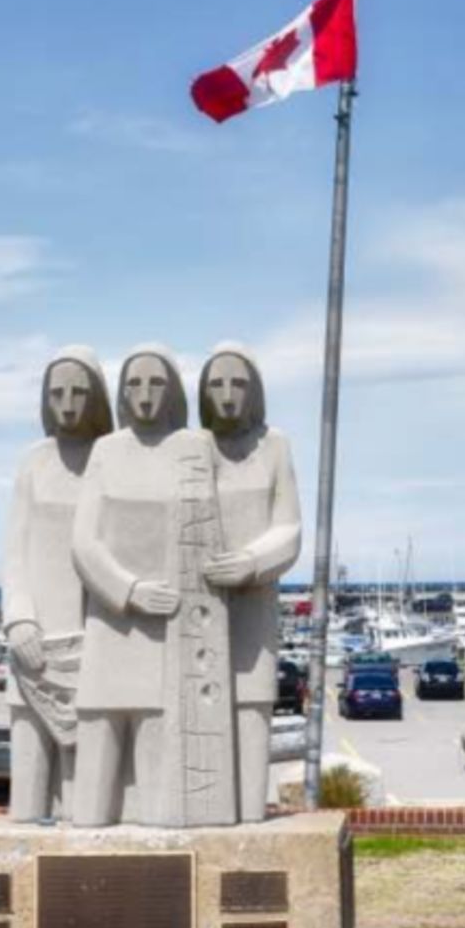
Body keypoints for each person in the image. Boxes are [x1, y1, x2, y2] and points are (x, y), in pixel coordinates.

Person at [71, 343, 234, 827]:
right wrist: (129, 590)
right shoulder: (106, 451)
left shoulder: (193, 450)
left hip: (172, 640)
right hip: (113, 625)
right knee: (92, 802)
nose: (144, 395)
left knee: (161, 806)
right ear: (121, 394)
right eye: (134, 384)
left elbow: (212, 532)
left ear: (173, 391)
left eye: (155, 383)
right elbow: (84, 542)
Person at [1, 346, 114, 824]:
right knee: (28, 778)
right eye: (58, 393)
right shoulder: (34, 462)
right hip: (34, 643)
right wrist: (19, 619)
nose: (68, 404)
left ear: (97, 399)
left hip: (96, 641)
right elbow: (15, 552)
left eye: (79, 393)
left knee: (83, 791)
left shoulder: (111, 459)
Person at [198, 343, 302, 824]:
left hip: (253, 604)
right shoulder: (192, 450)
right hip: (199, 610)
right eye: (216, 383)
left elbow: (291, 530)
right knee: (201, 717)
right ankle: (207, 815)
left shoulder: (274, 446)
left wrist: (251, 562)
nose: (226, 394)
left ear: (254, 390)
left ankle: (249, 822)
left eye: (237, 383)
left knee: (251, 707)